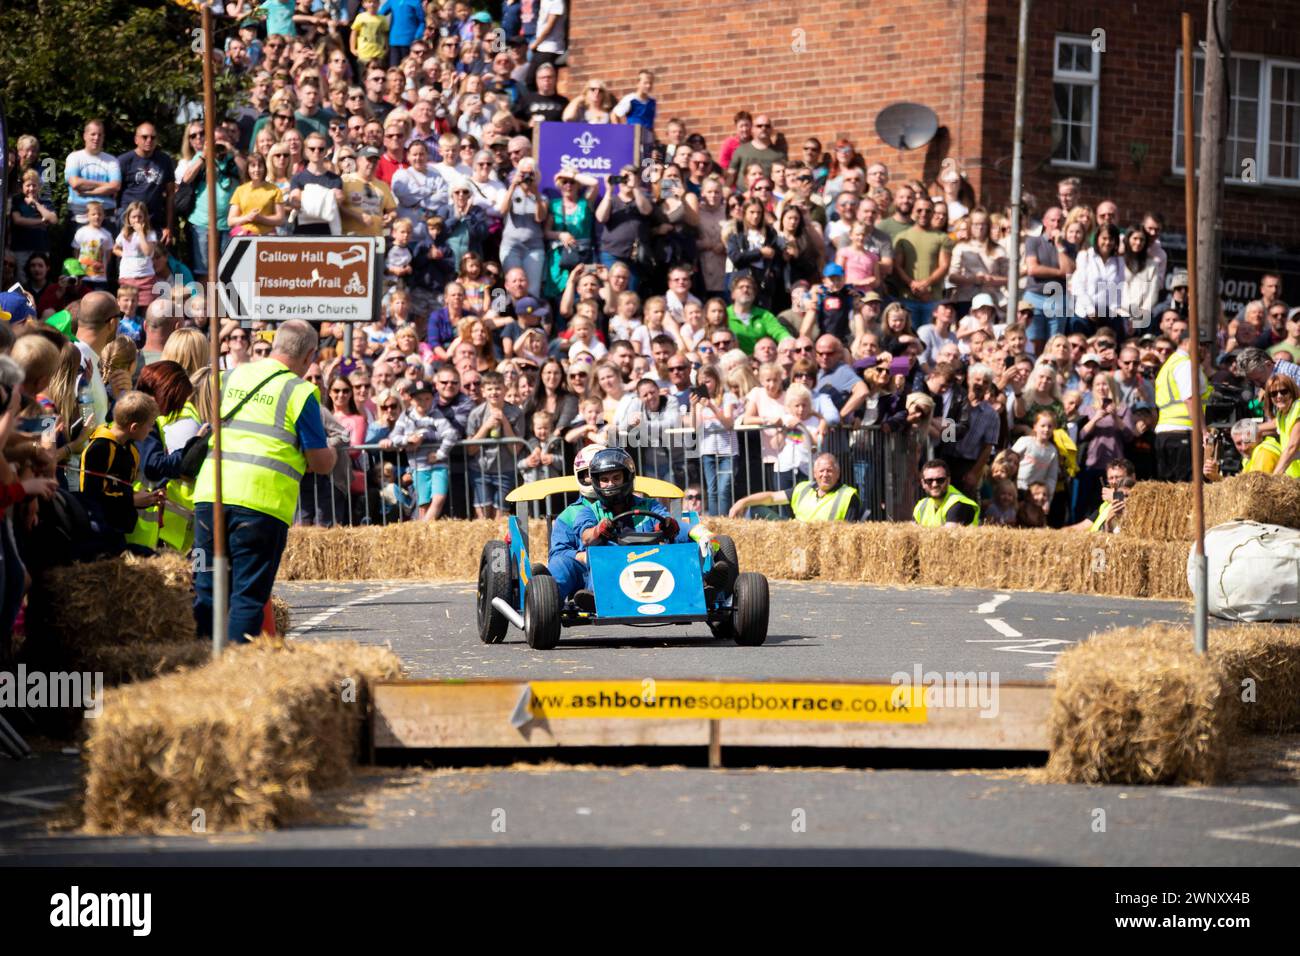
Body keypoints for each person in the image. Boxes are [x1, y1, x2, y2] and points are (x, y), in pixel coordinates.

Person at [193, 321, 337, 644]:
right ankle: (232, 669)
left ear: (274, 345)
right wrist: (334, 454)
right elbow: (319, 461)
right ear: (311, 354)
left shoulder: (229, 376)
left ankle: (197, 664)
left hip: (210, 495)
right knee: (248, 593)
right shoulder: (300, 392)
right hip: (261, 504)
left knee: (207, 587)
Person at [549, 448, 702, 610]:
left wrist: (666, 525)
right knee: (564, 563)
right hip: (604, 569)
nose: (611, 484)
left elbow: (664, 518)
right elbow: (585, 537)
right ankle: (592, 597)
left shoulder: (648, 505)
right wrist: (597, 532)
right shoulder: (586, 512)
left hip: (652, 562)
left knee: (684, 544)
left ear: (627, 478)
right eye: (605, 479)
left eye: (616, 478)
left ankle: (701, 587)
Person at [78, 390, 165, 554]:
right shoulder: (100, 448)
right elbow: (90, 495)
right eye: (150, 425)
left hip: (119, 529)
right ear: (134, 427)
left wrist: (147, 497)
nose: (151, 429)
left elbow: (119, 488)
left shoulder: (132, 451)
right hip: (99, 531)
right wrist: (131, 499)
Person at [728, 451, 859, 522]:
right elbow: (772, 498)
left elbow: (848, 531)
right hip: (796, 536)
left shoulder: (848, 495)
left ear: (838, 473)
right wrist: (742, 502)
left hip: (825, 545)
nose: (825, 475)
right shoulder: (804, 488)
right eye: (821, 471)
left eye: (829, 470)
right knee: (756, 509)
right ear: (814, 473)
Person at [1153, 331, 1212, 481]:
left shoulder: (1170, 363)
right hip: (1183, 433)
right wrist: (1203, 432)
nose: (1204, 350)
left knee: (1170, 489)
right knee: (1187, 488)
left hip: (1166, 433)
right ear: (1188, 343)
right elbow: (1191, 399)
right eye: (1201, 345)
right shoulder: (1186, 364)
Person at [912, 458, 980, 527]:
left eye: (940, 480)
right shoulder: (921, 506)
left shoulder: (958, 503)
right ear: (923, 483)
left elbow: (947, 535)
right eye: (929, 481)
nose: (934, 484)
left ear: (948, 480)